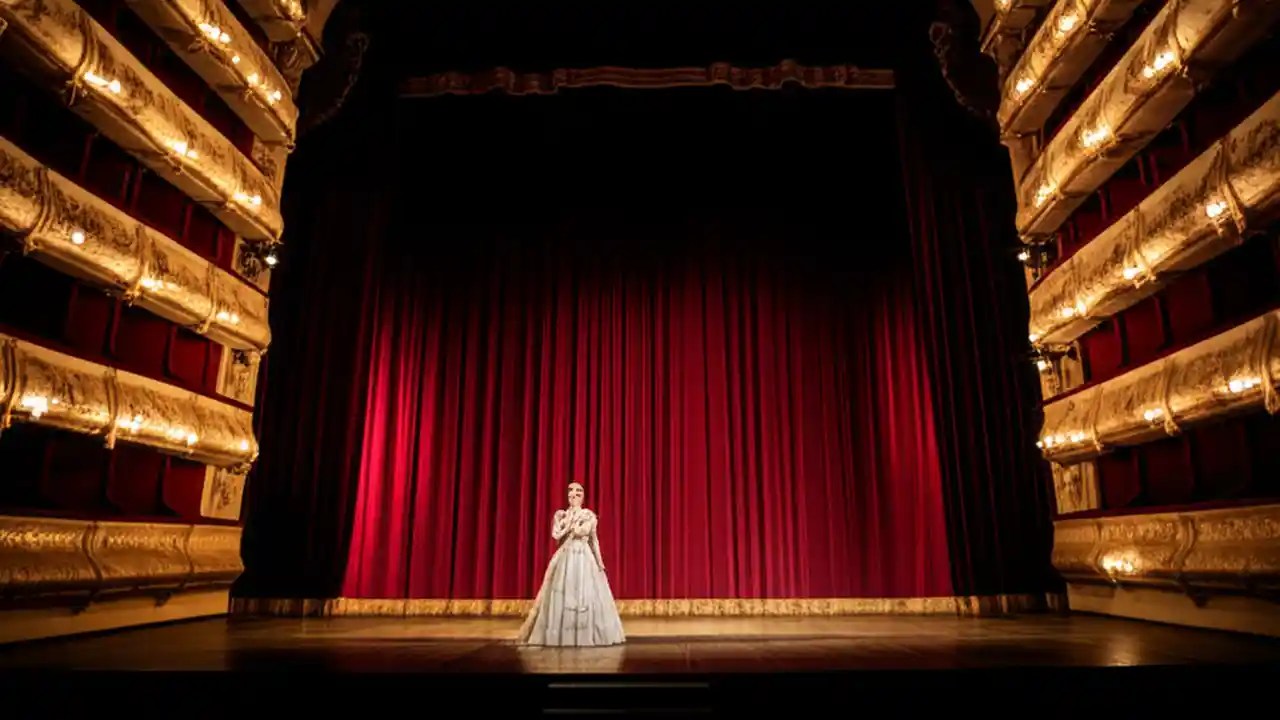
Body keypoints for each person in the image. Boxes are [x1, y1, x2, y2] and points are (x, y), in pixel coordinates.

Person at [516, 482, 626, 646]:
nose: (574, 496)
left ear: (582, 496)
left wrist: (599, 561)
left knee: (584, 593)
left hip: (583, 556)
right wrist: (562, 521)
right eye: (571, 494)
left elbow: (592, 539)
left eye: (577, 494)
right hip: (566, 556)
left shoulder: (588, 515)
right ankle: (561, 634)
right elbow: (556, 535)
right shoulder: (562, 516)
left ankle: (585, 633)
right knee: (563, 591)